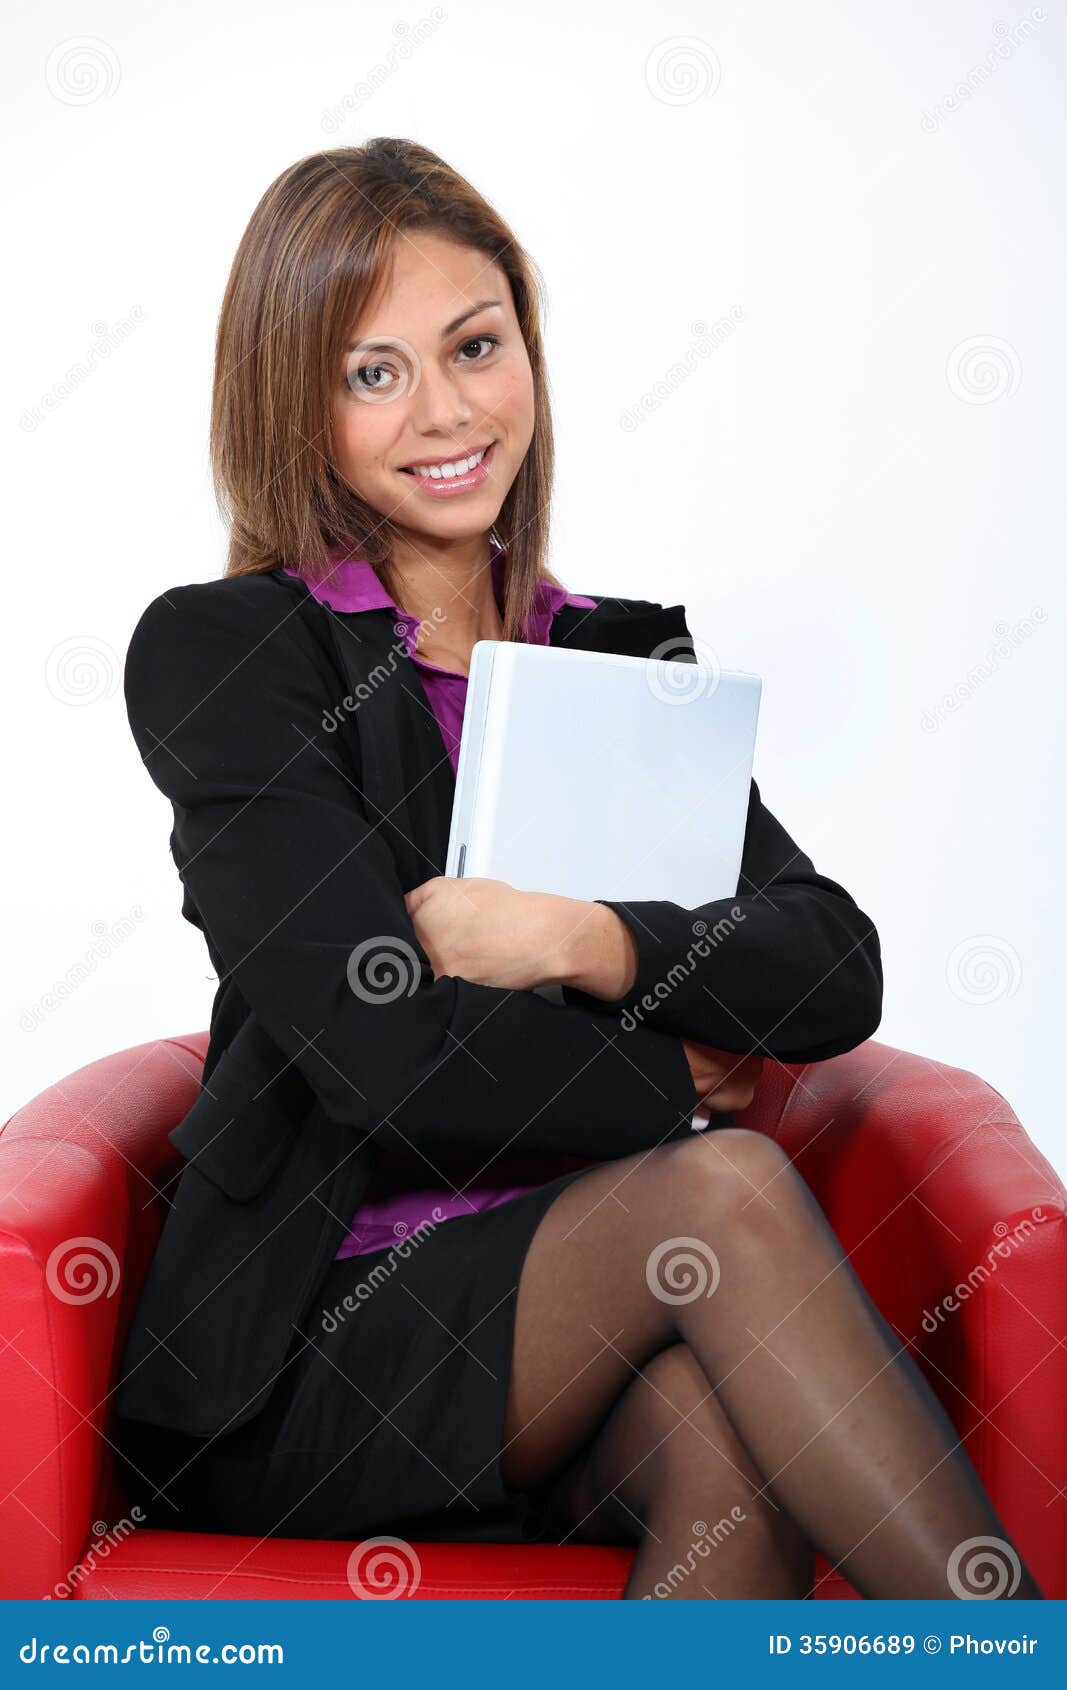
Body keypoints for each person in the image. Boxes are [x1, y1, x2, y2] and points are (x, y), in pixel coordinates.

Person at [113, 138, 1043, 1600]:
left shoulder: (611, 654)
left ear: (525, 353)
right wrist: (672, 1079)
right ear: (297, 404)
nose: (446, 410)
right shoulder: (229, 654)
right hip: (314, 1343)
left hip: (598, 1317)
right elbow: (383, 1052)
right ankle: (1008, 1644)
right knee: (721, 1188)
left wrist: (580, 936)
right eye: (375, 373)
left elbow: (828, 960)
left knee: (726, 1451)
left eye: (475, 347)